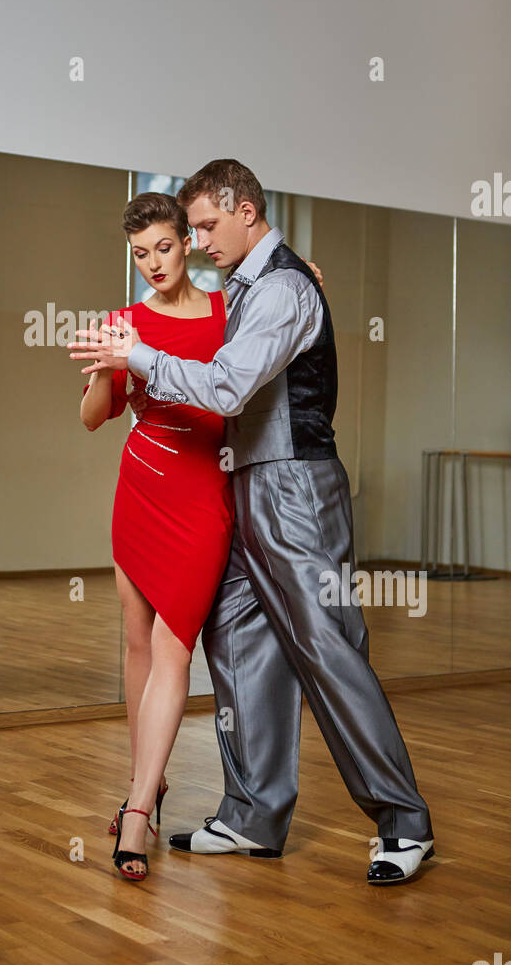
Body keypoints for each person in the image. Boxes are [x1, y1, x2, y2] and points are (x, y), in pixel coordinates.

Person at [71, 159, 435, 886]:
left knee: (326, 648)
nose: (199, 241)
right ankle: (252, 813)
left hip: (295, 484)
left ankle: (404, 820)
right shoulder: (260, 286)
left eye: (205, 226)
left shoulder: (281, 287)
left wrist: (136, 353)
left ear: (244, 211)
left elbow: (232, 383)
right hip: (241, 485)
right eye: (191, 229)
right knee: (241, 644)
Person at [80, 192, 235, 881]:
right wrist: (109, 369)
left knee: (177, 647)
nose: (153, 264)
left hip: (205, 491)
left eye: (164, 248)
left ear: (188, 243)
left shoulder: (229, 314)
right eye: (140, 254)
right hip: (140, 487)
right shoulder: (123, 322)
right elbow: (93, 418)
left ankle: (136, 810)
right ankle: (150, 781)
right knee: (140, 644)